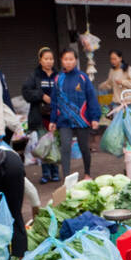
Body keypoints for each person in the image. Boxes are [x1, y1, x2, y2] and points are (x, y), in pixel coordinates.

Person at [49, 46, 100, 180]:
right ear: (61, 61)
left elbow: (91, 98)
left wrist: (95, 117)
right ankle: (66, 177)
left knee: (84, 148)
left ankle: (87, 173)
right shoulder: (58, 79)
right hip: (64, 121)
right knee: (65, 148)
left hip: (82, 120)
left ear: (76, 60)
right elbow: (54, 101)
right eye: (66, 59)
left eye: (71, 59)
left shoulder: (83, 78)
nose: (68, 62)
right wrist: (53, 120)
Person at [22, 47, 59, 184]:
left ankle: (55, 172)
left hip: (55, 117)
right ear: (40, 60)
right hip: (40, 117)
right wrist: (42, 95)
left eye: (51, 59)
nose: (49, 62)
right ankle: (46, 173)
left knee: (54, 144)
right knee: (44, 145)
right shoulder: (35, 76)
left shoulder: (58, 75)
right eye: (46, 59)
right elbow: (26, 92)